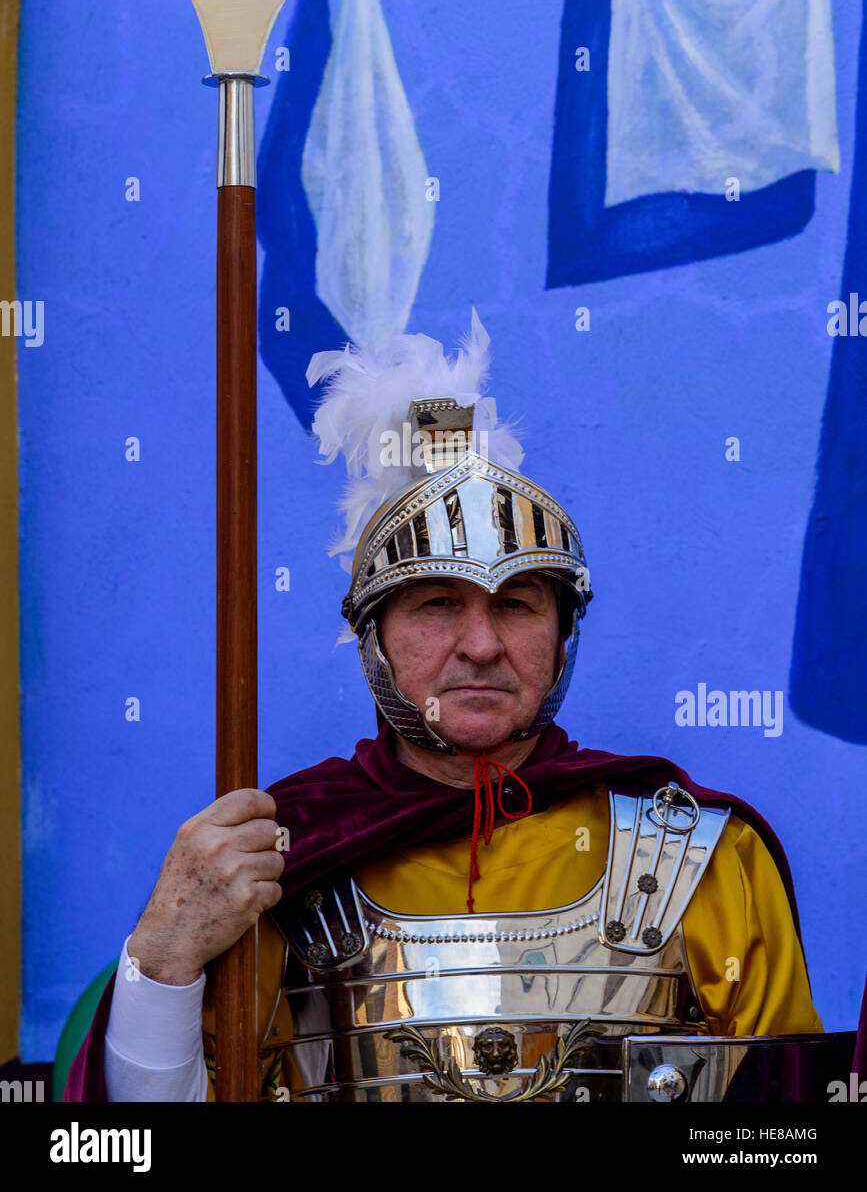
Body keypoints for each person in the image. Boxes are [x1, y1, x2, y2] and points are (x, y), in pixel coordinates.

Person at [64, 314, 824, 1104]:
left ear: (564, 635)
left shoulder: (705, 855)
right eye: (435, 604)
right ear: (371, 639)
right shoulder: (277, 859)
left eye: (520, 604)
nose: (481, 645)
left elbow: (779, 1138)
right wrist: (162, 963)